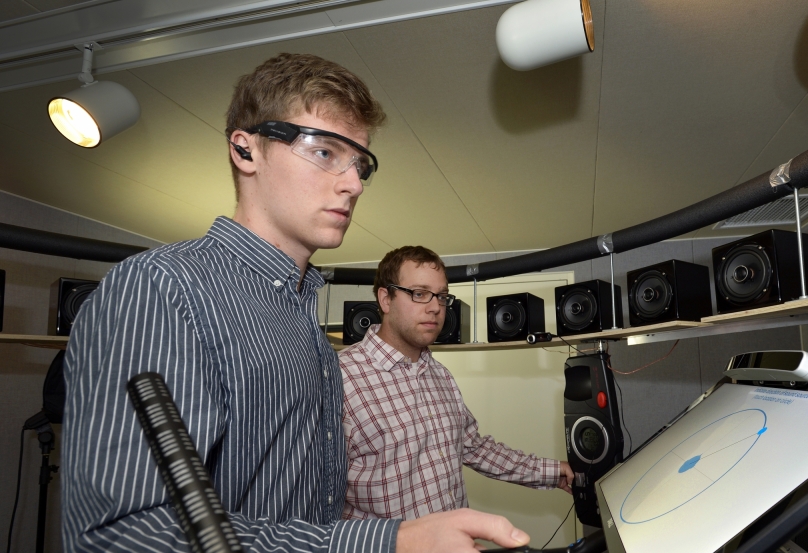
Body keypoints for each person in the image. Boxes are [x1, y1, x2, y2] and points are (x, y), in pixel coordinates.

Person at [60, 53, 531, 553]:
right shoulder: (162, 291)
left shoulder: (305, 324)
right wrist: (386, 542)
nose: (353, 184)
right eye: (325, 152)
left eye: (360, 164)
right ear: (246, 150)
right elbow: (120, 536)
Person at [339, 246, 574, 521]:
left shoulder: (441, 375)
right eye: (419, 293)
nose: (435, 307)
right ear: (385, 299)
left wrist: (551, 470)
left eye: (441, 295)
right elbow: (314, 494)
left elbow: (473, 447)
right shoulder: (340, 378)